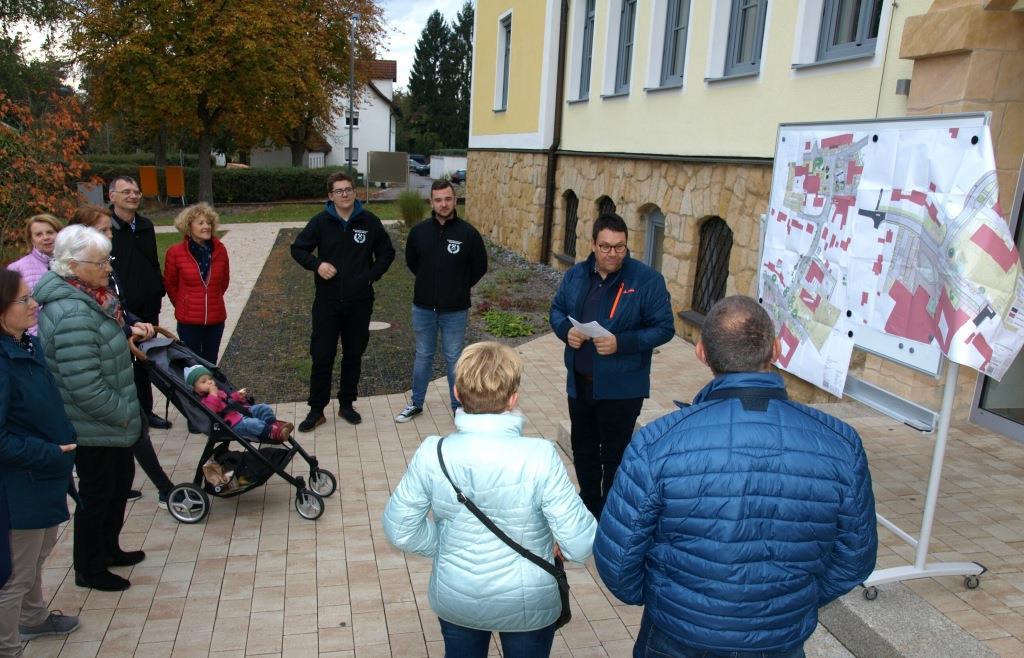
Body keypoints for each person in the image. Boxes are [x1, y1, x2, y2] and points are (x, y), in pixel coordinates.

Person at [594, 296, 878, 658]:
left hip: (675, 636)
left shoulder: (657, 443)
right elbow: (855, 557)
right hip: (779, 641)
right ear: (775, 349)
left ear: (701, 353)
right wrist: (793, 602)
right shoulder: (841, 445)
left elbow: (618, 562)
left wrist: (666, 599)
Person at [383, 342, 596, 658]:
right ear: (513, 399)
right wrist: (558, 547)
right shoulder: (540, 456)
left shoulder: (432, 452)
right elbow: (581, 544)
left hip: (458, 597)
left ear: (456, 391)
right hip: (528, 603)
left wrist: (443, 545)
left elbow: (400, 529)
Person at [35, 225, 154, 592]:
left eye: (108, 259)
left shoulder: (92, 297)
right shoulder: (72, 313)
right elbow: (83, 385)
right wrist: (122, 412)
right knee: (97, 494)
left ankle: (108, 548)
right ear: (72, 265)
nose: (108, 267)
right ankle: (89, 567)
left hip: (112, 419)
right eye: (100, 262)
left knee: (117, 486)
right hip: (93, 423)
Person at [548, 213, 674, 518]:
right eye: (605, 247)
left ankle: (612, 510)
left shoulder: (646, 281)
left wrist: (622, 343)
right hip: (581, 383)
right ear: (592, 244)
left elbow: (664, 328)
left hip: (622, 388)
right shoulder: (576, 276)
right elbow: (556, 310)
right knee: (583, 449)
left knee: (615, 456)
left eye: (619, 247)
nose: (612, 254)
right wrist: (566, 331)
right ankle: (589, 501)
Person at [69, 205, 175, 506]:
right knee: (129, 430)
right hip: (100, 379)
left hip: (117, 368)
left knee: (132, 430)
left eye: (109, 230)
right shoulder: (78, 285)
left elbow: (116, 307)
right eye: (102, 231)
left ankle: (147, 488)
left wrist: (133, 323)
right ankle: (164, 488)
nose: (109, 235)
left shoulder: (105, 271)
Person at [0, 269, 81, 653]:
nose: (35, 304)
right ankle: (8, 646)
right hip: (21, 486)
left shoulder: (22, 345)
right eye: (24, 300)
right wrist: (49, 452)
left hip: (45, 476)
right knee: (14, 573)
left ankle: (32, 619)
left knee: (37, 555)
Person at [291, 172, 395, 430]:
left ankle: (347, 404)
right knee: (322, 355)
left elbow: (387, 252)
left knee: (353, 354)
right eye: (339, 191)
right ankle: (316, 410)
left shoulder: (369, 221)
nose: (345, 194)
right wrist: (317, 265)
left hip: (359, 302)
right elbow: (298, 248)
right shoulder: (321, 222)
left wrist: (370, 276)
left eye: (348, 189)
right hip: (327, 302)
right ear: (330, 196)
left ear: (355, 192)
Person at [395, 179, 487, 422]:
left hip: (455, 310)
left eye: (448, 199)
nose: (443, 204)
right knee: (423, 355)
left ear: (455, 200)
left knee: (453, 358)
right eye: (438, 200)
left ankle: (458, 407)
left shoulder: (468, 233)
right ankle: (416, 403)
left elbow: (480, 266)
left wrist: (457, 286)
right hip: (423, 307)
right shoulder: (419, 232)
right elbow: (413, 263)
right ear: (431, 202)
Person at [108, 176, 172, 430]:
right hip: (120, 310)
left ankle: (146, 411)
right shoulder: (107, 229)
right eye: (126, 192)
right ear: (112, 196)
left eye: (136, 192)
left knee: (144, 361)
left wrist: (158, 287)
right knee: (124, 364)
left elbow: (152, 261)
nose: (133, 196)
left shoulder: (145, 225)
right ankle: (129, 414)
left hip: (148, 306)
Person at [163, 203, 230, 364]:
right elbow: (170, 284)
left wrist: (211, 297)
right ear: (188, 226)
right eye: (200, 223)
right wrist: (183, 303)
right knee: (192, 364)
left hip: (215, 319)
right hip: (189, 321)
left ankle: (213, 391)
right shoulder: (175, 252)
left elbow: (224, 281)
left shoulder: (220, 250)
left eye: (208, 223)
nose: (206, 226)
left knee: (210, 363)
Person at [185, 365, 293, 441]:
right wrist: (213, 395)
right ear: (195, 389)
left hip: (240, 411)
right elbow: (211, 411)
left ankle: (273, 424)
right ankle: (274, 433)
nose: (209, 382)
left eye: (210, 379)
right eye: (204, 382)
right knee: (253, 424)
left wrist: (237, 396)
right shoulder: (204, 401)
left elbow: (228, 399)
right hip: (233, 423)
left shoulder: (218, 392)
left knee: (263, 407)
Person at [6, 214, 62, 334]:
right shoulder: (17, 268)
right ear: (31, 240)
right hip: (35, 341)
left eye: (50, 232)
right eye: (39, 234)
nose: (46, 237)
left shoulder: (73, 264)